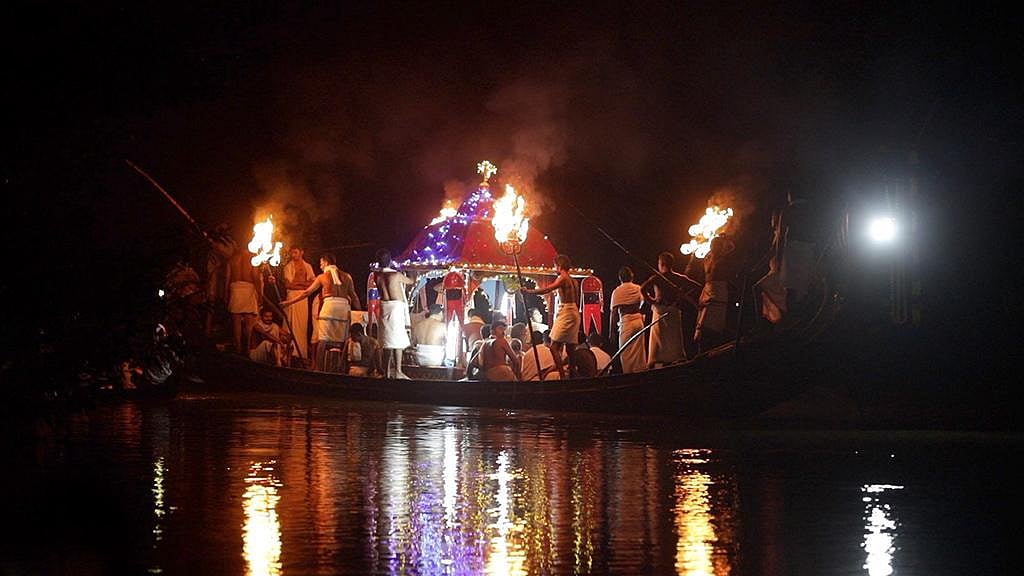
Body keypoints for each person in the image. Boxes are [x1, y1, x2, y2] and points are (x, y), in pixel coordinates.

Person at [280, 253, 360, 371]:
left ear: (326, 263)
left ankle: (318, 368)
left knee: (323, 339)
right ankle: (343, 368)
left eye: (321, 263)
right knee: (343, 340)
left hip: (330, 306)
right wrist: (359, 312)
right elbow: (354, 297)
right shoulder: (347, 276)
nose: (321, 266)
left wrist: (289, 302)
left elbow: (306, 292)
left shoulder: (322, 277)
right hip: (343, 307)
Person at [522, 254, 580, 379]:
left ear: (559, 266)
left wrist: (529, 291)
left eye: (555, 266)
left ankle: (563, 376)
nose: (555, 268)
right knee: (570, 349)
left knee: (554, 347)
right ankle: (572, 374)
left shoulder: (563, 278)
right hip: (573, 311)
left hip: (567, 312)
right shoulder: (573, 280)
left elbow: (547, 289)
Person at [640, 252, 700, 368]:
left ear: (661, 263)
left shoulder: (658, 278)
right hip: (668, 311)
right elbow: (697, 286)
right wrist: (681, 296)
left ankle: (663, 363)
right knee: (669, 340)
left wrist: (652, 300)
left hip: (665, 311)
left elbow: (643, 289)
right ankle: (666, 362)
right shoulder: (676, 278)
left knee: (667, 340)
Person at [372, 249, 414, 378]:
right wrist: (411, 271)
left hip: (385, 307)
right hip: (396, 308)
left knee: (386, 340)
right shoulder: (396, 275)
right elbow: (411, 281)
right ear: (390, 261)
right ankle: (398, 370)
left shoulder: (376, 275)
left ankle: (387, 371)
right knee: (398, 339)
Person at [694, 233, 738, 353]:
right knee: (701, 325)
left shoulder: (721, 259)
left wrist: (726, 239)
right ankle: (701, 353)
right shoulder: (708, 258)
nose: (714, 247)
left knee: (712, 325)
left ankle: (711, 351)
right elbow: (730, 248)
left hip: (718, 291)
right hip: (707, 289)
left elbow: (732, 248)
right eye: (714, 245)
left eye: (717, 245)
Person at [282, 246, 316, 364]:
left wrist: (299, 283)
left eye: (295, 252)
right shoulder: (288, 266)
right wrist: (303, 285)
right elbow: (288, 285)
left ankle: (300, 352)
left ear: (301, 252)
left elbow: (312, 283)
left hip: (303, 298)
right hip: (292, 296)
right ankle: (286, 352)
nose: (293, 255)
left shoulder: (308, 267)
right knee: (289, 323)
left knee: (301, 325)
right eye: (292, 253)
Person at [226, 246, 263, 354]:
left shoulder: (232, 259)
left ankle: (238, 348)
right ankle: (246, 349)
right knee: (248, 321)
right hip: (248, 288)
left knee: (236, 322)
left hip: (235, 288)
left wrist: (226, 293)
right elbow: (255, 276)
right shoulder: (253, 258)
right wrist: (260, 293)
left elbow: (227, 278)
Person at [609, 265, 646, 373]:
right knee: (639, 353)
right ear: (632, 276)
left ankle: (629, 374)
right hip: (639, 322)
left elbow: (614, 312)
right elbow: (642, 304)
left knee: (625, 353)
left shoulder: (617, 291)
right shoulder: (638, 288)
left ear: (620, 278)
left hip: (627, 323)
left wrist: (611, 332)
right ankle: (640, 374)